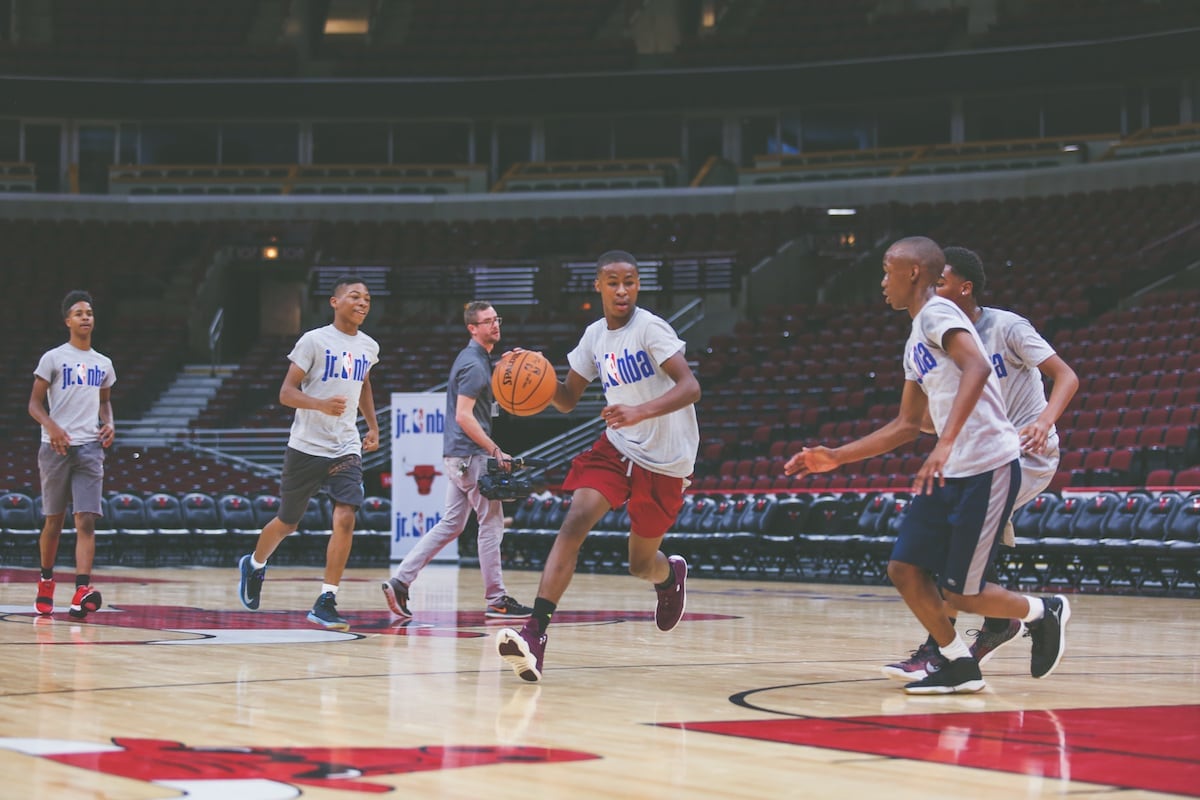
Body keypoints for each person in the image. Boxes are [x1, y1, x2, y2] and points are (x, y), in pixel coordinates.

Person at [785, 236, 1071, 695]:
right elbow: (906, 424)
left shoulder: (940, 314)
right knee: (905, 568)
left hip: (989, 464)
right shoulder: (916, 335)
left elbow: (977, 368)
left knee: (961, 591)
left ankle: (1042, 611)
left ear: (914, 273)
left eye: (886, 271)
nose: (881, 282)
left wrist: (946, 442)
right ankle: (957, 662)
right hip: (951, 469)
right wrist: (836, 457)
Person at [495, 250, 701, 682]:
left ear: (638, 285)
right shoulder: (594, 337)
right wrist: (530, 371)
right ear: (598, 286)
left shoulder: (650, 329)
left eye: (629, 281)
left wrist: (640, 411)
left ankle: (670, 576)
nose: (622, 289)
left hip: (666, 460)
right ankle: (535, 634)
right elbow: (567, 399)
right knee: (573, 523)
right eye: (613, 282)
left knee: (640, 564)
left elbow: (690, 386)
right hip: (618, 447)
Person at [885, 246, 1080, 681]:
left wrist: (1045, 421)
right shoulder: (933, 340)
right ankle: (992, 624)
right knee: (949, 556)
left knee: (955, 552)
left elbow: (1066, 375)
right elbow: (919, 419)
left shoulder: (1005, 326)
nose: (931, 289)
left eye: (941, 282)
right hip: (981, 454)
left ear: (965, 287)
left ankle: (947, 649)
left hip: (1025, 451)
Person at [237, 276, 380, 631]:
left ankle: (326, 599)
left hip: (345, 444)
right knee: (288, 522)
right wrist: (318, 404)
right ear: (335, 302)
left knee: (347, 514)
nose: (362, 303)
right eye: (354, 296)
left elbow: (363, 384)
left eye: (367, 298)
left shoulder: (369, 346)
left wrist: (373, 426)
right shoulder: (313, 340)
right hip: (305, 446)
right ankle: (254, 564)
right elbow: (286, 393)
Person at [382, 301, 533, 620]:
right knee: (491, 524)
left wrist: (502, 368)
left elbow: (479, 404)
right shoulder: (474, 365)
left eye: (496, 319)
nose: (495, 325)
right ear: (472, 328)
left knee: (451, 524)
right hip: (470, 455)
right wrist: (495, 450)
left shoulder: (475, 360)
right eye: (487, 321)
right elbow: (464, 416)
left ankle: (400, 581)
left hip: (457, 455)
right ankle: (497, 598)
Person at [29, 290, 116, 619]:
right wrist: (51, 426)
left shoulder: (103, 363)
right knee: (54, 521)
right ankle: (46, 580)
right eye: (79, 312)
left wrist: (109, 424)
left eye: (89, 312)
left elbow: (105, 402)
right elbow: (34, 404)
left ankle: (82, 588)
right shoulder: (53, 358)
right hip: (55, 447)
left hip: (90, 447)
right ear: (67, 320)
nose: (85, 317)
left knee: (86, 520)